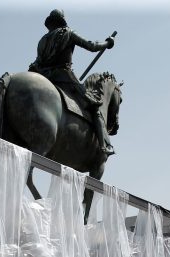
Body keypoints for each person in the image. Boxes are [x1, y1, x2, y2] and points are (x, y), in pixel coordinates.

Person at [29, 9, 116, 156]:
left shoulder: (42, 41)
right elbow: (92, 46)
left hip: (45, 77)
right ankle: (104, 145)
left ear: (50, 23)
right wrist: (107, 43)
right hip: (64, 77)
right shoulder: (68, 33)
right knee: (95, 105)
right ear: (62, 21)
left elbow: (38, 62)